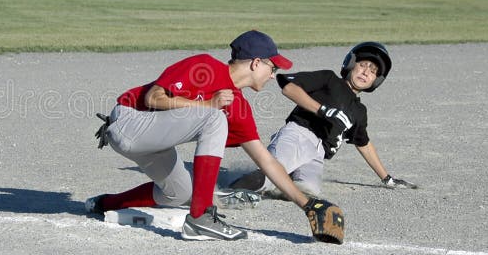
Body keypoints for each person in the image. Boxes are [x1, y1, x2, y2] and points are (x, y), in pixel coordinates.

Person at [86, 30, 336, 241]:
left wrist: (306, 204)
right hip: (129, 121)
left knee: (179, 193)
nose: (273, 75)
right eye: (273, 67)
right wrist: (208, 105)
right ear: (256, 63)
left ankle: (103, 203)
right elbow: (154, 98)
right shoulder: (204, 66)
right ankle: (201, 217)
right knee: (215, 117)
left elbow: (266, 161)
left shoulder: (239, 106)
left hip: (153, 142)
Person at [226, 41, 416, 201]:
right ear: (351, 64)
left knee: (308, 190)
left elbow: (364, 144)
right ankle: (224, 193)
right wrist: (322, 109)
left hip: (317, 154)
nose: (366, 72)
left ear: (377, 80)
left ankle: (278, 178)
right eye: (363, 65)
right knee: (270, 176)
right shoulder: (329, 79)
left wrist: (387, 178)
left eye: (373, 71)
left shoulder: (359, 111)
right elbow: (289, 88)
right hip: (298, 135)